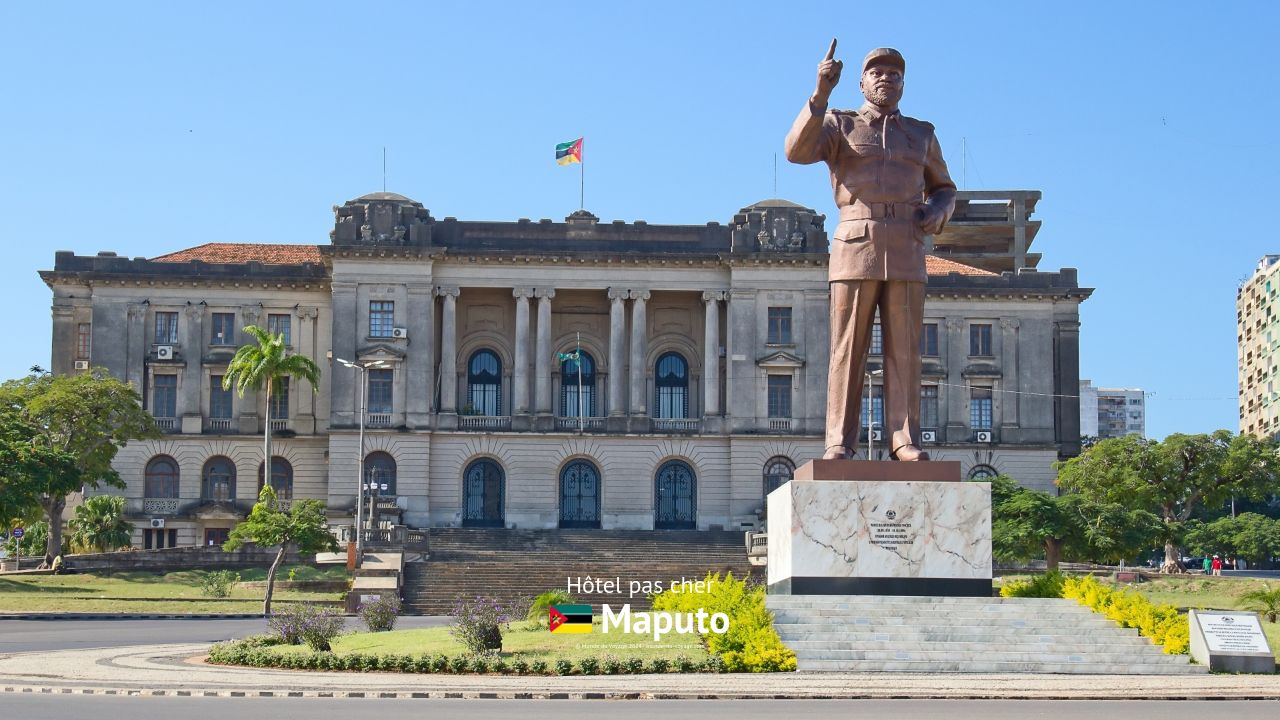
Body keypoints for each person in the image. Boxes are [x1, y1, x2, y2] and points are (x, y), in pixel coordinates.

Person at [785, 41, 956, 461]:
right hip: (855, 242)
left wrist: (938, 208)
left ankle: (904, 439)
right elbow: (796, 151)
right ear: (861, 82)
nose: (886, 78)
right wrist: (820, 94)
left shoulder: (921, 134)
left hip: (906, 244)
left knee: (905, 351)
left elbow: (944, 186)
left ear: (903, 84)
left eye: (894, 73)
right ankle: (839, 441)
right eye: (877, 72)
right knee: (848, 348)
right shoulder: (839, 124)